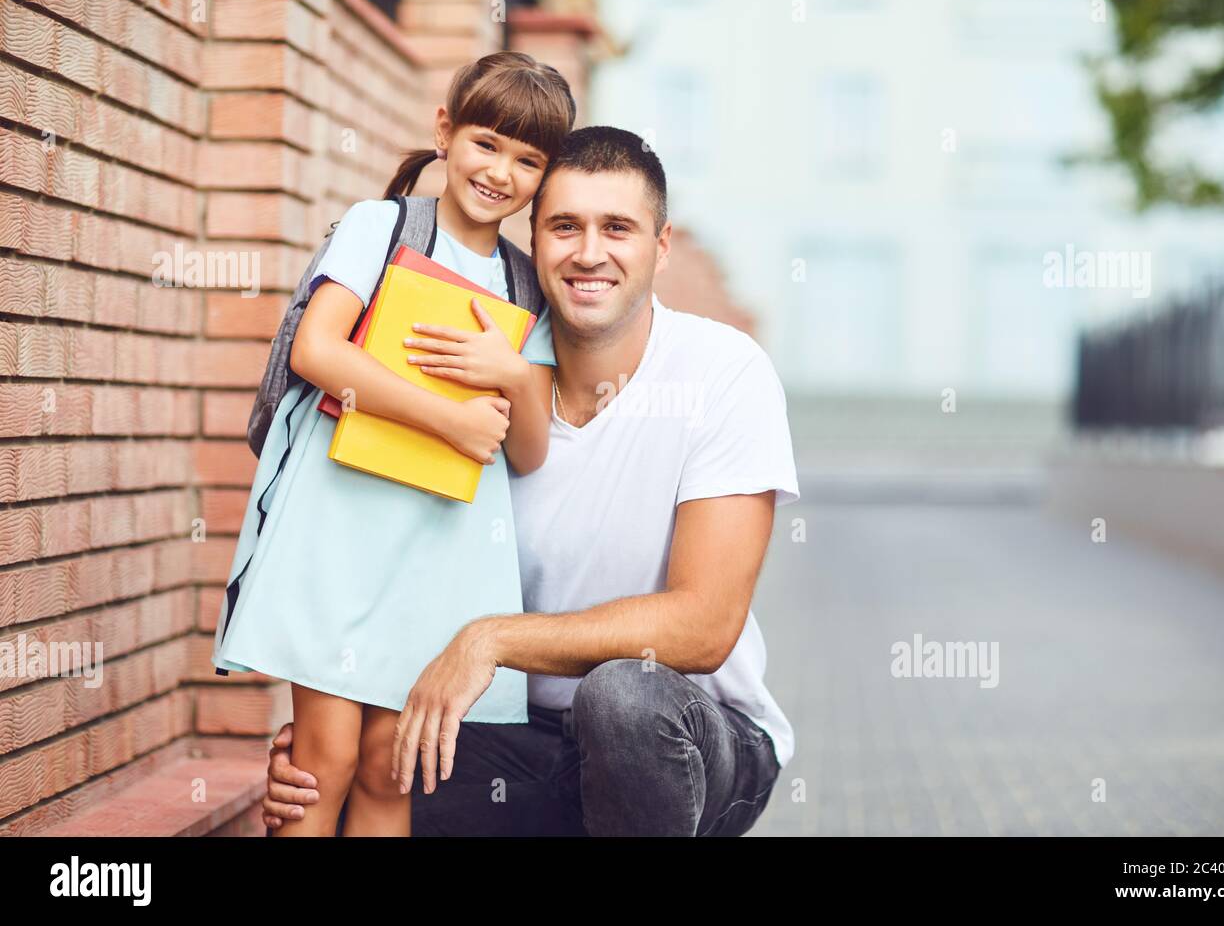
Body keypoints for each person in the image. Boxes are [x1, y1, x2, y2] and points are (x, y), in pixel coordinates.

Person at [261, 126, 800, 836]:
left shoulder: (723, 372)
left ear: (660, 247)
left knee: (622, 700)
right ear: (534, 238)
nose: (588, 253)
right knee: (367, 775)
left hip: (693, 739)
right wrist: (332, 739)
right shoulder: (476, 361)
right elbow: (385, 552)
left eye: (618, 228)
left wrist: (491, 640)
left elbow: (703, 627)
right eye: (564, 226)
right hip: (515, 731)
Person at [209, 51, 576, 836]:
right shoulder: (381, 226)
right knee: (325, 760)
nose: (501, 171)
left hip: (436, 555)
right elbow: (318, 349)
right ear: (445, 131)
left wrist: (510, 372)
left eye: (528, 159)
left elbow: (533, 448)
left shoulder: (523, 284)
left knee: (390, 769)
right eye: (487, 143)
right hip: (341, 532)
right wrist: (447, 418)